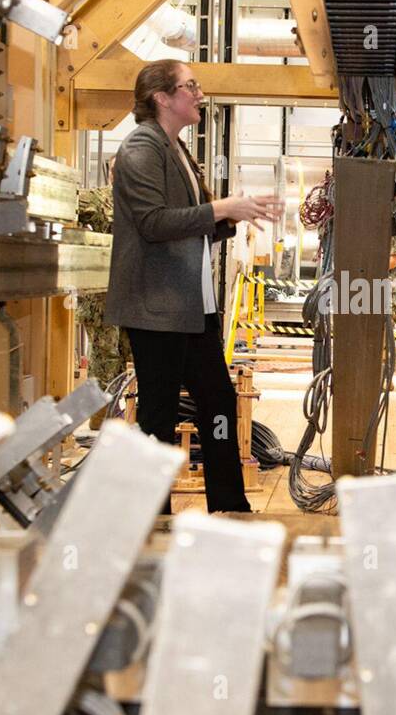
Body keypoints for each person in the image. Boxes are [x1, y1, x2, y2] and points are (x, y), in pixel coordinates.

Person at [105, 60, 284, 512]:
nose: (199, 94)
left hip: (191, 306)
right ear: (162, 98)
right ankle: (152, 515)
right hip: (157, 306)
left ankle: (228, 504)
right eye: (191, 86)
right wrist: (223, 207)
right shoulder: (141, 148)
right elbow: (152, 222)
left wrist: (231, 215)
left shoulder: (176, 148)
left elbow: (190, 222)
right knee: (157, 415)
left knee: (218, 401)